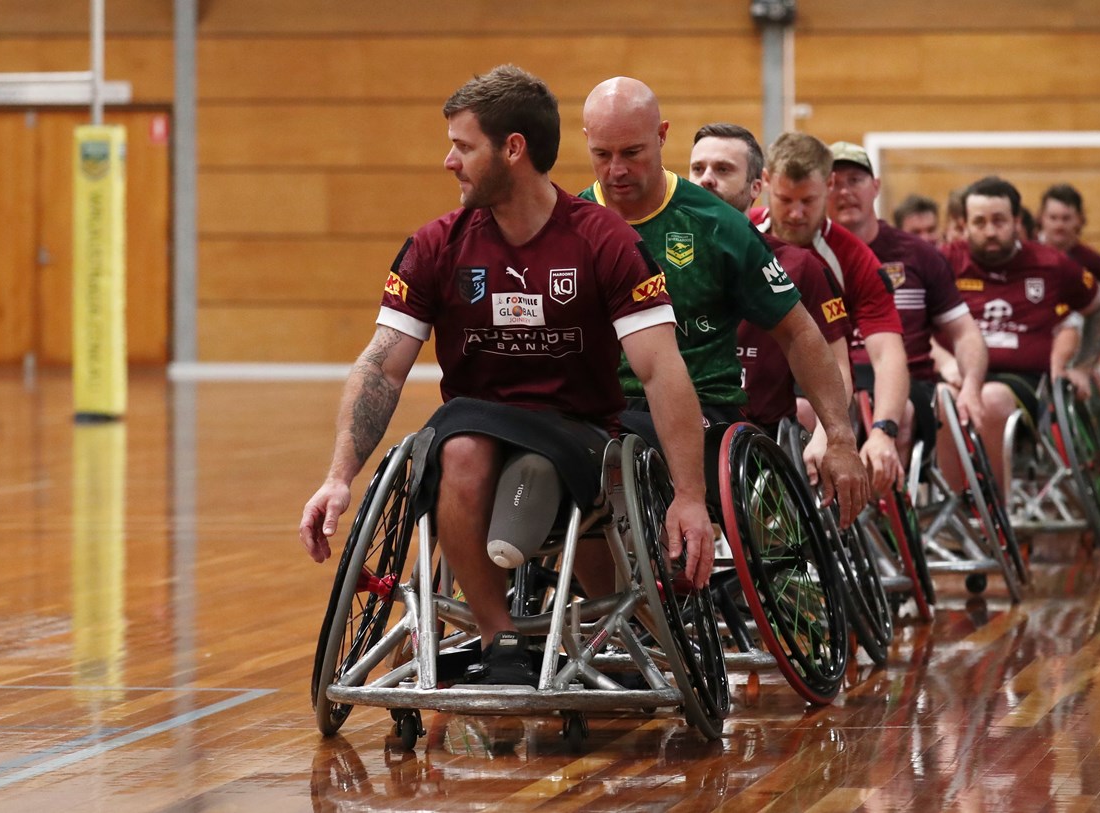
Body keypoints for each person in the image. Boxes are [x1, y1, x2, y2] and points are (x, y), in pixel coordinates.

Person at [298, 65, 713, 686]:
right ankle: (501, 639)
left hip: (577, 431)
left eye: (463, 147)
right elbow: (381, 366)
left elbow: (661, 369)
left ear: (512, 149)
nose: (449, 161)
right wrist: (338, 477)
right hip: (477, 426)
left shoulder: (605, 240)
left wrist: (690, 496)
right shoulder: (437, 244)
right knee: (459, 445)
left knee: (493, 449)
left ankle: (630, 629)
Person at [579, 78, 868, 524]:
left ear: (661, 136)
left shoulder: (717, 224)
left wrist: (840, 439)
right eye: (602, 154)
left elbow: (798, 332)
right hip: (599, 411)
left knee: (622, 458)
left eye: (632, 153)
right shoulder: (573, 224)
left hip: (703, 410)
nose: (616, 170)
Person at [753, 132, 908, 495]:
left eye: (808, 200)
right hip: (749, 374)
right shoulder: (741, 235)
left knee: (804, 410)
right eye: (784, 199)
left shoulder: (852, 257)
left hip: (815, 385)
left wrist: (883, 431)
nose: (795, 213)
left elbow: (887, 354)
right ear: (765, 183)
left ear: (829, 184)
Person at [942, 176, 1100, 490]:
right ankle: (956, 506)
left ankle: (996, 512)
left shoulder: (1051, 265)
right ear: (964, 224)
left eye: (999, 221)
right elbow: (911, 320)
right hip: (958, 375)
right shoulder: (944, 262)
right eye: (979, 222)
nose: (990, 231)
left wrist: (1084, 367)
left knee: (992, 400)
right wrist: (942, 360)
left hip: (1022, 383)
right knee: (942, 403)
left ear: (1017, 221)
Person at [688, 123, 853, 441]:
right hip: (675, 425)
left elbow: (837, 366)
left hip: (757, 438)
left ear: (755, 186)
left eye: (723, 169)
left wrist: (828, 436)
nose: (707, 178)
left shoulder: (801, 265)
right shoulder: (653, 253)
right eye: (698, 168)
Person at [826, 141, 988, 462]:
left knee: (899, 416)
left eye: (855, 180)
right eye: (833, 183)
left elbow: (965, 332)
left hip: (910, 383)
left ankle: (890, 511)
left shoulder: (919, 254)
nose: (844, 191)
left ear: (876, 187)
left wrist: (971, 386)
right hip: (833, 382)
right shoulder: (805, 255)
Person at [1038, 183, 1100, 324]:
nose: (1059, 225)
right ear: (1042, 218)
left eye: (1066, 218)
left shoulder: (1092, 261)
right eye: (1053, 218)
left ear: (1079, 219)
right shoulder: (1027, 253)